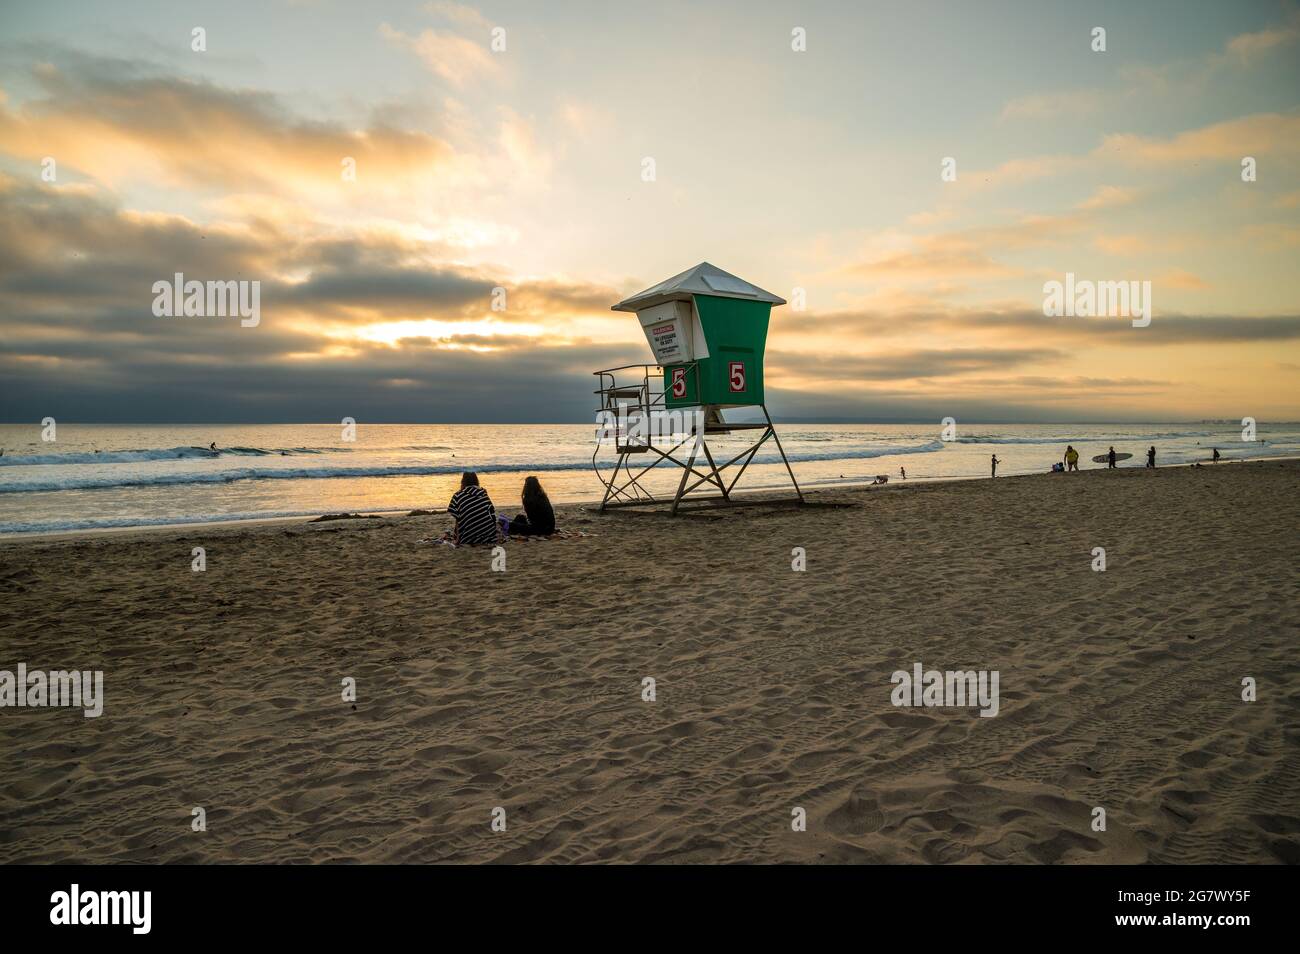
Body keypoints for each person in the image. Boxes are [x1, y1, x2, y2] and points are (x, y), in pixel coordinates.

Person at [446, 472, 500, 545]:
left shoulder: (457, 496)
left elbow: (458, 519)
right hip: (489, 536)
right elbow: (492, 513)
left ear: (463, 481)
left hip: (468, 538)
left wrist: (458, 540)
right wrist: (494, 532)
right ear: (476, 481)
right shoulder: (483, 493)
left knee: (460, 517)